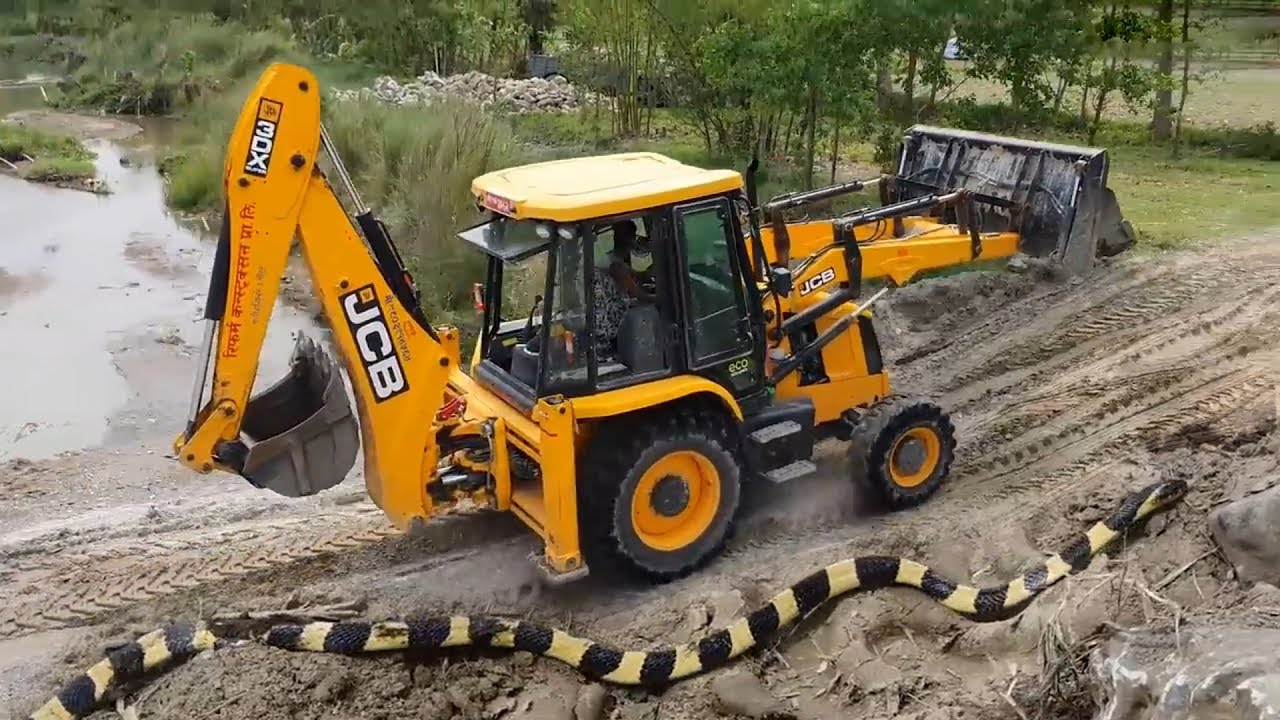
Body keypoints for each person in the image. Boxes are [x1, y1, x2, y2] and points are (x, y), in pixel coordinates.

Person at [593, 219, 653, 344]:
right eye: (631, 236)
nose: (634, 240)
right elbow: (637, 294)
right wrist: (660, 298)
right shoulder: (614, 265)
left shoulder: (613, 259)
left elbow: (637, 275)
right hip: (610, 323)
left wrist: (651, 272)